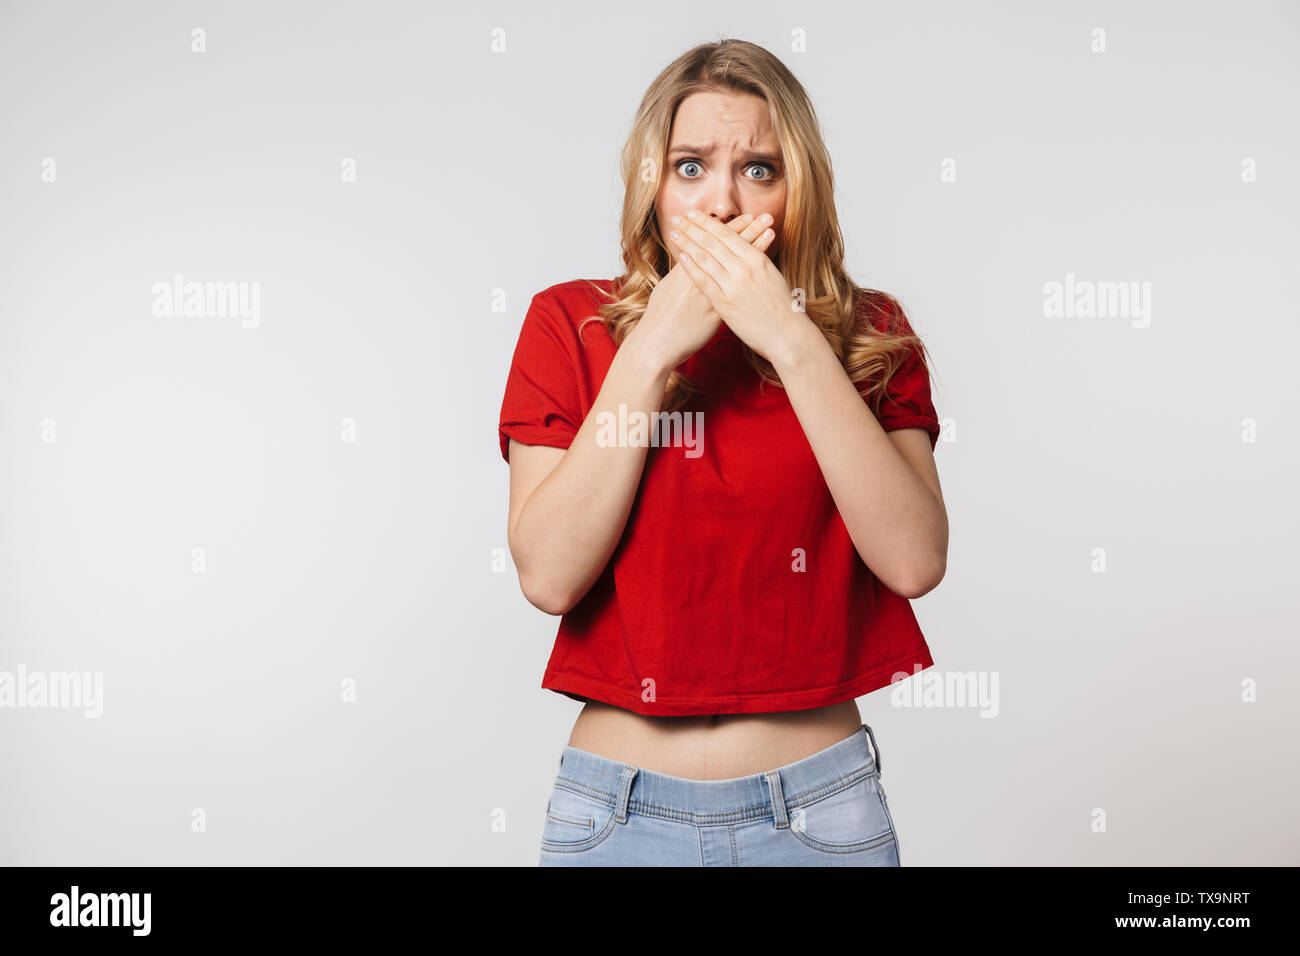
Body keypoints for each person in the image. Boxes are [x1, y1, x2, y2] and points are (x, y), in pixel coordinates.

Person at [498, 38, 947, 866]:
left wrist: (788, 336)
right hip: (615, 816)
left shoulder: (871, 333)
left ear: (798, 187)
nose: (722, 200)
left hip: (820, 817)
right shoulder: (569, 324)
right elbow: (549, 574)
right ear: (653, 186)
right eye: (692, 167)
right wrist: (650, 353)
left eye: (761, 169)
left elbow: (915, 560)